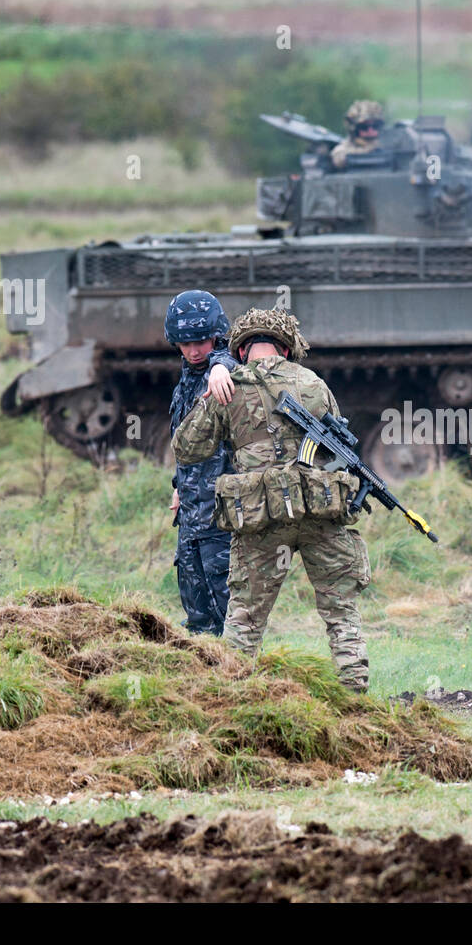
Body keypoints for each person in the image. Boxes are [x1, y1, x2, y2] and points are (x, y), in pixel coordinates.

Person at [172, 308, 371, 692]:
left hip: (261, 519)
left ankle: (229, 699)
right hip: (319, 514)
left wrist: (214, 397)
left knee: (245, 619)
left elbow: (187, 448)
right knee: (342, 614)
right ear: (286, 345)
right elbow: (338, 449)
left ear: (242, 350)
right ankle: (355, 694)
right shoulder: (314, 383)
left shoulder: (229, 385)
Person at [165, 290, 236, 637]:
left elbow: (233, 362)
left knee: (232, 619)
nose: (194, 351)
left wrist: (221, 366)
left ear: (216, 335)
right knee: (197, 618)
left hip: (221, 518)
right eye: (185, 343)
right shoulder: (185, 380)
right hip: (191, 519)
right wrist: (178, 487)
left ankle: (247, 684)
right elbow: (184, 444)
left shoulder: (225, 368)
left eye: (201, 342)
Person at [330, 99, 385, 170]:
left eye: (375, 126)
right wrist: (370, 148)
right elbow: (339, 160)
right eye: (364, 127)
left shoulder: (387, 144)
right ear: (354, 129)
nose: (370, 130)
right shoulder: (343, 149)